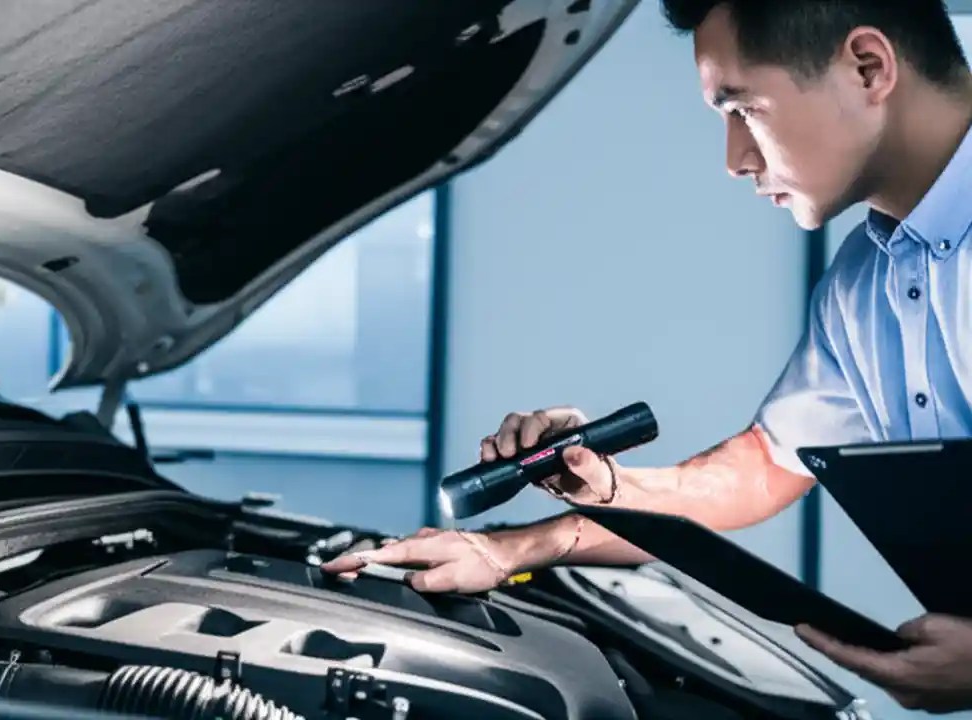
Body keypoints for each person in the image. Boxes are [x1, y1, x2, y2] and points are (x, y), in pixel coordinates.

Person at [322, 0, 972, 713]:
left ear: (868, 67)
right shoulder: (864, 282)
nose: (734, 160)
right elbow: (759, 470)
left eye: (742, 109)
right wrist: (538, 533)